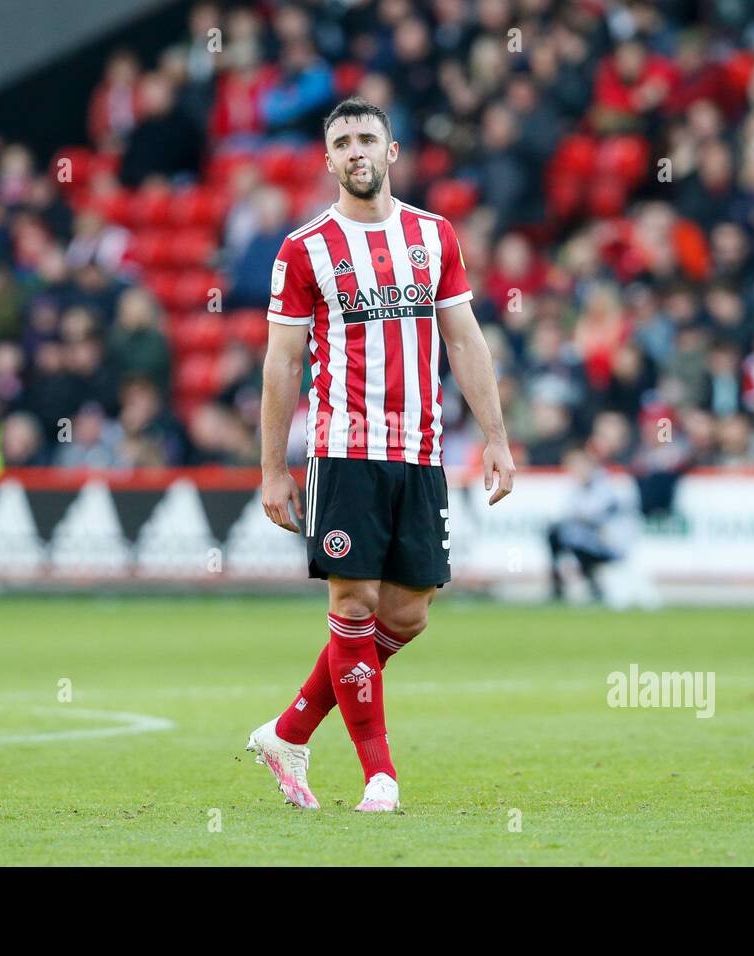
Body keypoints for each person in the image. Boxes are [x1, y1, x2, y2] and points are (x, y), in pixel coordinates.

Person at [248, 98, 516, 813]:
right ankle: (380, 777)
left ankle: (288, 731)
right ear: (328, 160)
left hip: (422, 452)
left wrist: (495, 437)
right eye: (342, 142)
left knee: (406, 615)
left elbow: (464, 339)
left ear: (392, 151)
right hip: (343, 449)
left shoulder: (434, 235)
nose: (356, 149)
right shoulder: (304, 248)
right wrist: (273, 467)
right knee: (354, 602)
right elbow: (282, 363)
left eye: (368, 137)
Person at [546, 443, 630, 603]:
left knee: (572, 539)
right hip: (591, 539)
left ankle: (590, 581)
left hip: (609, 542)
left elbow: (594, 515)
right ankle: (560, 585)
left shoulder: (606, 484)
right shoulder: (576, 487)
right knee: (557, 534)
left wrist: (576, 520)